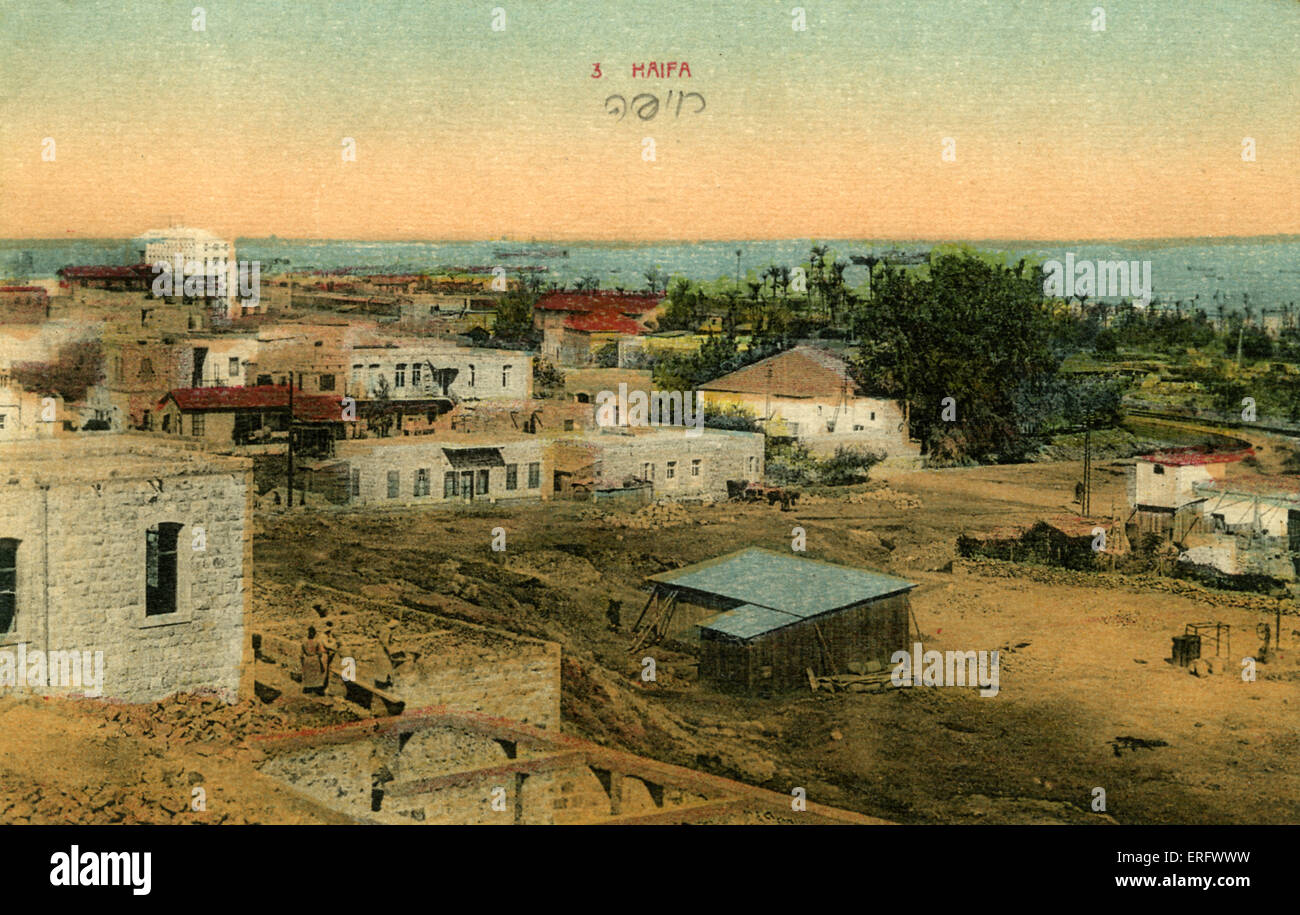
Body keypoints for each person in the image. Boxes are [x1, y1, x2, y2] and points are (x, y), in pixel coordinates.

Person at [300, 625, 327, 695]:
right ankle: (316, 690)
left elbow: (301, 655)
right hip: (315, 659)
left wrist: (302, 663)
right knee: (316, 675)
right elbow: (320, 652)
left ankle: (308, 689)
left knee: (308, 675)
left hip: (307, 660)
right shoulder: (317, 642)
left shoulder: (304, 641)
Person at [321, 620, 340, 689]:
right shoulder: (323, 636)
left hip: (326, 654)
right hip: (323, 655)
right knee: (324, 671)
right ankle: (321, 687)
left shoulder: (327, 636)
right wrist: (334, 643)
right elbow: (327, 645)